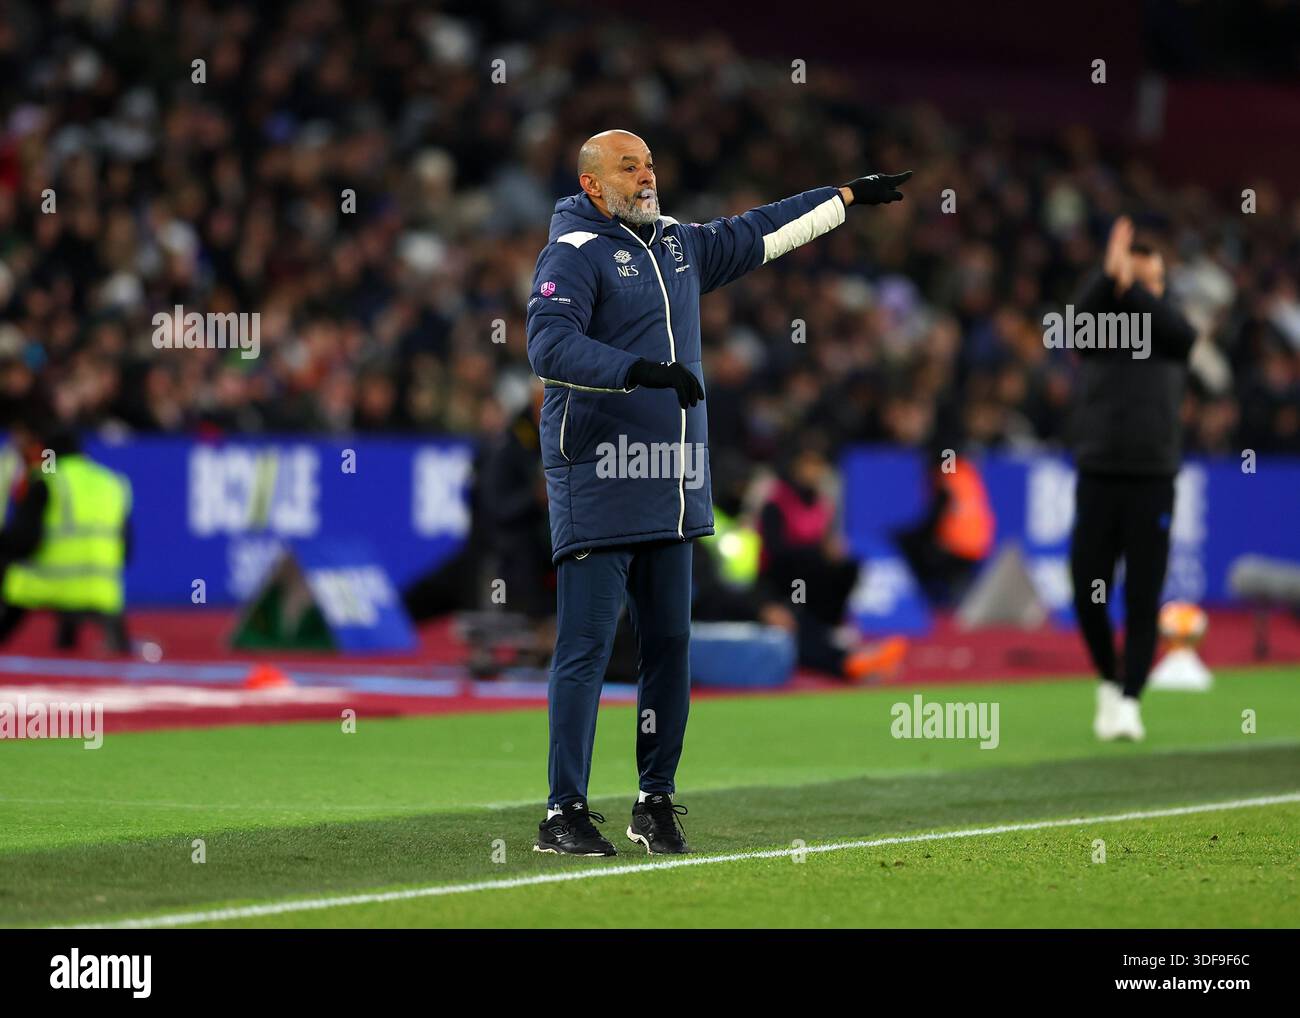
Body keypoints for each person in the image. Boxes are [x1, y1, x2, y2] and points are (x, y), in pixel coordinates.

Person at [526, 128, 910, 856]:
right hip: (602, 480)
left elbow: (759, 231)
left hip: (671, 489)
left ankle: (654, 800)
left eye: (649, 163)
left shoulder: (676, 244)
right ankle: (562, 812)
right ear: (591, 186)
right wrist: (639, 371)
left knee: (671, 647)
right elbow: (547, 346)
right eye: (628, 167)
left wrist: (846, 197)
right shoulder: (571, 253)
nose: (646, 176)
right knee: (585, 648)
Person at [1070, 216, 1196, 741]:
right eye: (1134, 282)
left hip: (1152, 480)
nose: (1142, 293)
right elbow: (1077, 324)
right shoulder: (1102, 330)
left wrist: (1133, 287)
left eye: (1153, 283)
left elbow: (1181, 334)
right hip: (1099, 475)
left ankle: (1130, 699)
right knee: (1087, 592)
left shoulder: (1170, 332)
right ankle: (1108, 676)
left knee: (1143, 596)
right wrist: (1107, 277)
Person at [0, 414, 133, 653]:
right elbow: (127, 548)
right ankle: (113, 641)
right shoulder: (112, 482)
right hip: (100, 588)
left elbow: (23, 540)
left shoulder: (47, 481)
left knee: (16, 583)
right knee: (109, 633)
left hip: (48, 582)